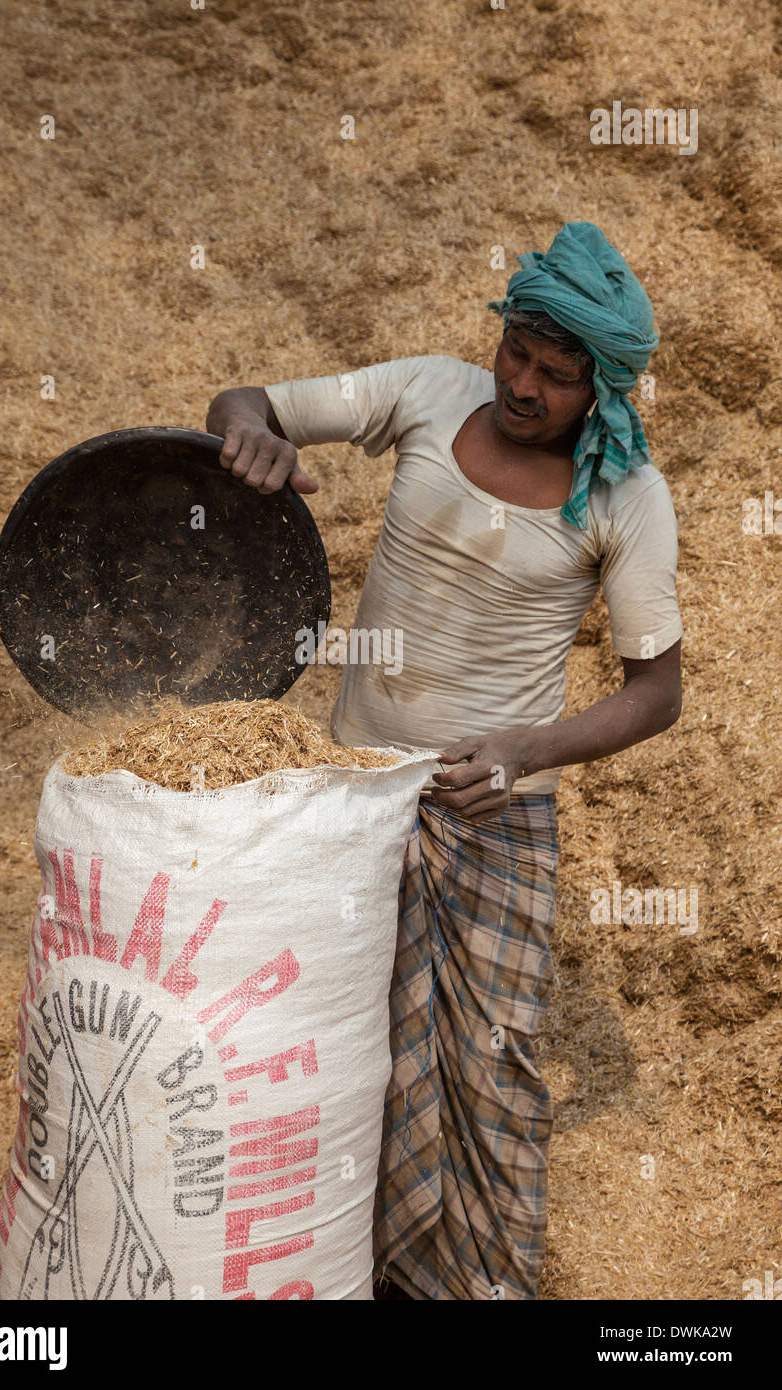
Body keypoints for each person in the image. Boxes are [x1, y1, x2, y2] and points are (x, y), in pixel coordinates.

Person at [205, 221, 683, 1300]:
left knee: (486, 1070)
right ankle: (327, 1270)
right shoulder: (425, 390)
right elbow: (246, 401)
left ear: (602, 389)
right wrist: (255, 439)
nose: (522, 386)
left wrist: (524, 749)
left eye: (557, 377)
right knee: (338, 1051)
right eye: (516, 351)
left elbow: (658, 690)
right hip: (351, 800)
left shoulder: (622, 497)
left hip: (491, 818)